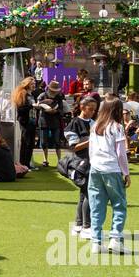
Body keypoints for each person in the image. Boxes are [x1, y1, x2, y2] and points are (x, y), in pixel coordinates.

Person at [87, 98, 131, 254]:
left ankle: (96, 242)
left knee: (97, 205)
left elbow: (91, 149)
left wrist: (94, 163)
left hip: (96, 168)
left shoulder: (95, 126)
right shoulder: (117, 127)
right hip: (111, 169)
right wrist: (126, 172)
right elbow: (121, 154)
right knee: (119, 205)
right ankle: (115, 239)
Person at [63, 95, 99, 238]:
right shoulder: (73, 124)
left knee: (84, 195)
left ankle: (78, 225)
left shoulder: (93, 122)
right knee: (89, 193)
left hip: (92, 160)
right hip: (81, 163)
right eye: (90, 109)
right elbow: (74, 147)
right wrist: (91, 140)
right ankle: (86, 226)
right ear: (82, 107)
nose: (92, 112)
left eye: (94, 110)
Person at [36, 79, 66, 167]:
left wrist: (55, 111)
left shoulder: (59, 97)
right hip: (44, 120)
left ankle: (59, 161)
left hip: (55, 121)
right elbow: (38, 106)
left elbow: (61, 109)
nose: (54, 92)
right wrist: (43, 107)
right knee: (44, 141)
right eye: (52, 90)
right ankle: (45, 160)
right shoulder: (42, 96)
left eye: (55, 91)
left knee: (57, 141)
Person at [11, 77, 36, 169]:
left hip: (33, 121)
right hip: (25, 121)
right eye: (32, 84)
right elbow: (20, 109)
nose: (34, 85)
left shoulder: (31, 95)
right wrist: (31, 106)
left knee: (31, 143)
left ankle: (28, 164)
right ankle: (23, 164)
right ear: (27, 84)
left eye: (34, 84)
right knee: (26, 142)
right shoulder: (23, 94)